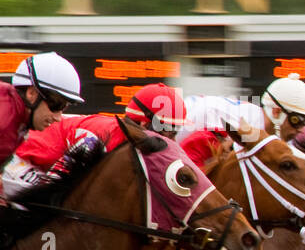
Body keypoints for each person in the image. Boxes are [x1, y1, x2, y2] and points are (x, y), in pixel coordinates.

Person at [1, 83, 184, 200]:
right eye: (169, 131)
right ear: (144, 123)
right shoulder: (102, 139)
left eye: (176, 131)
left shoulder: (127, 141)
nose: (172, 140)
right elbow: (56, 186)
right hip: (22, 159)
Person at [181, 73, 305, 145]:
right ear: (276, 112)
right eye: (297, 120)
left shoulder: (274, 133)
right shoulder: (242, 125)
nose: (301, 129)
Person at [1, 53, 83, 170]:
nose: (58, 118)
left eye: (63, 107)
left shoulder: (15, 114)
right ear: (32, 93)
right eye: (56, 105)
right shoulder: (5, 123)